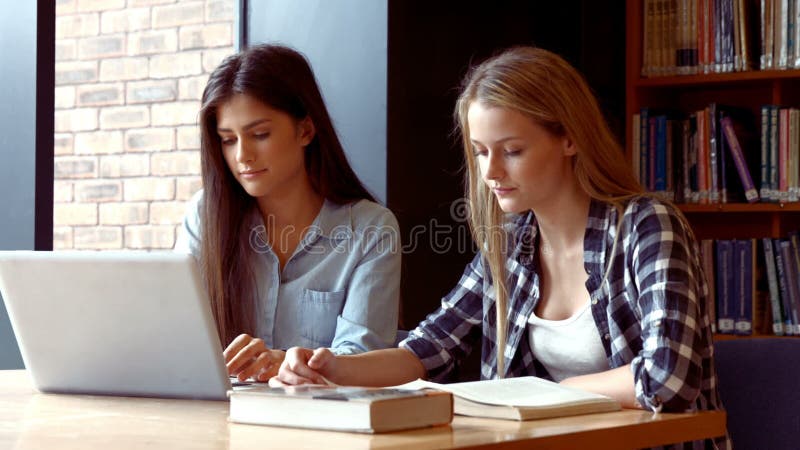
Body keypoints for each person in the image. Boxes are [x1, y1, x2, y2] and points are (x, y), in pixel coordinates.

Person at [271, 46, 730, 449]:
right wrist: (331, 369)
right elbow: (428, 349)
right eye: (480, 151)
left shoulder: (647, 227)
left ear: (570, 137)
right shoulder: (511, 244)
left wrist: (552, 390)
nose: (490, 172)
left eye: (512, 150)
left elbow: (669, 379)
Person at [174, 44, 401, 383]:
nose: (242, 155)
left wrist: (286, 364)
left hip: (322, 425)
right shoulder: (204, 216)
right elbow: (176, 337)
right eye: (227, 140)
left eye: (259, 134)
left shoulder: (371, 229)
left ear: (305, 130)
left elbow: (362, 360)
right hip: (218, 422)